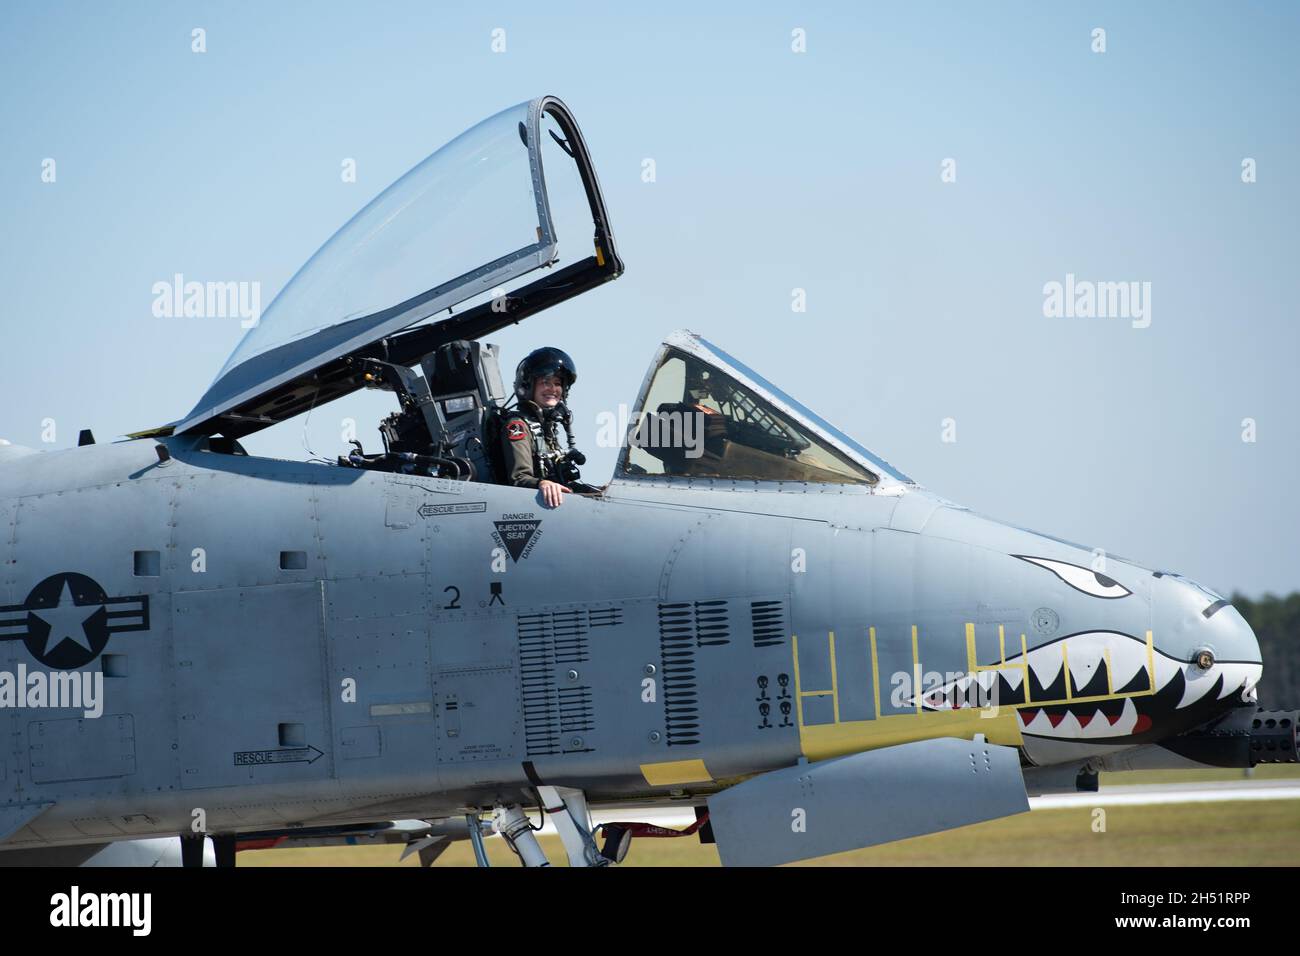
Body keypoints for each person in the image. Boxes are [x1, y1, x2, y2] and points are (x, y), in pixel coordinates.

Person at [500, 347, 582, 508]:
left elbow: (560, 481)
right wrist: (542, 483)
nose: (553, 389)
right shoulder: (518, 426)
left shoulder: (546, 427)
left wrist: (596, 491)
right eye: (545, 382)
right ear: (528, 386)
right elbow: (519, 478)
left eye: (557, 383)